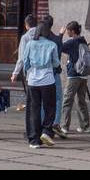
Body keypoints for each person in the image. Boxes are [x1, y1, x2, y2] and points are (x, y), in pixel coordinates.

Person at [15, 20, 59, 149]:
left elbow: (25, 62)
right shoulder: (52, 45)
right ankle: (46, 131)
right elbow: (56, 63)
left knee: (33, 109)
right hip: (48, 80)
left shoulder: (30, 44)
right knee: (50, 107)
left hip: (33, 80)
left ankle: (34, 140)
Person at [59, 21, 90, 135]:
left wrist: (60, 34)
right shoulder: (83, 40)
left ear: (72, 31)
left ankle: (64, 127)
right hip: (84, 75)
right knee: (81, 101)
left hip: (73, 76)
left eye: (68, 30)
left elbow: (59, 46)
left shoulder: (72, 42)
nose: (67, 32)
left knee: (67, 101)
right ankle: (85, 126)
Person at [37, 15, 66, 137]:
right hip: (53, 73)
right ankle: (55, 122)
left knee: (43, 100)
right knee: (58, 98)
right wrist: (60, 36)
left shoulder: (35, 40)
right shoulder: (54, 39)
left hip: (38, 75)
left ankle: (43, 124)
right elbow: (57, 57)